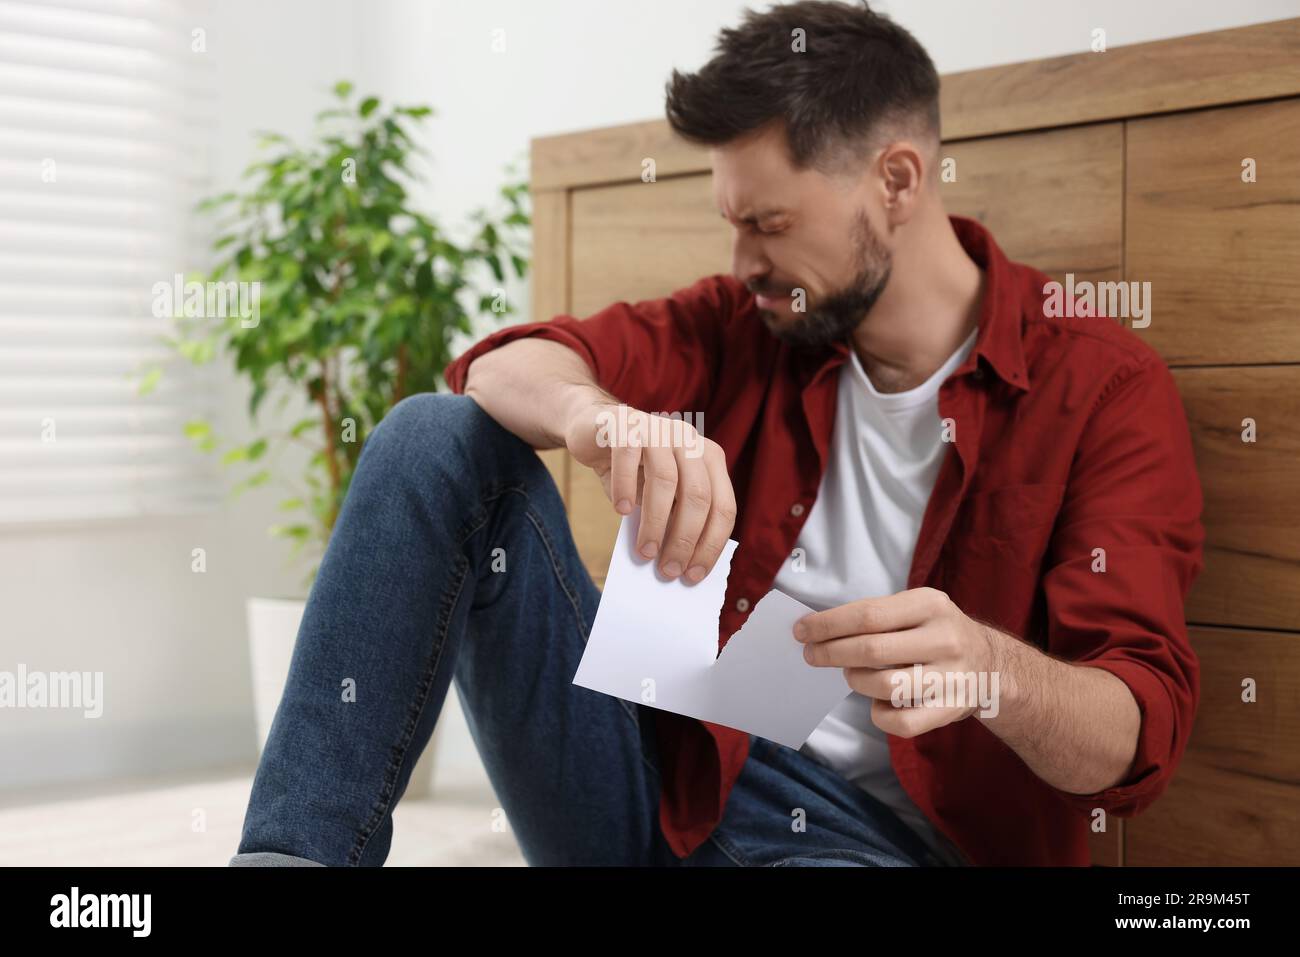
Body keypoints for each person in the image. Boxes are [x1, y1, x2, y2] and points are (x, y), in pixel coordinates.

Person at [230, 0, 1203, 867]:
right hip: (663, 775)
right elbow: (498, 365)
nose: (742, 261)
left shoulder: (1100, 387)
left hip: (872, 840)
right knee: (435, 437)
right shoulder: (748, 322)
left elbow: (1137, 732)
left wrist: (992, 671)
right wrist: (599, 420)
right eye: (732, 223)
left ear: (898, 181)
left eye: (769, 224)